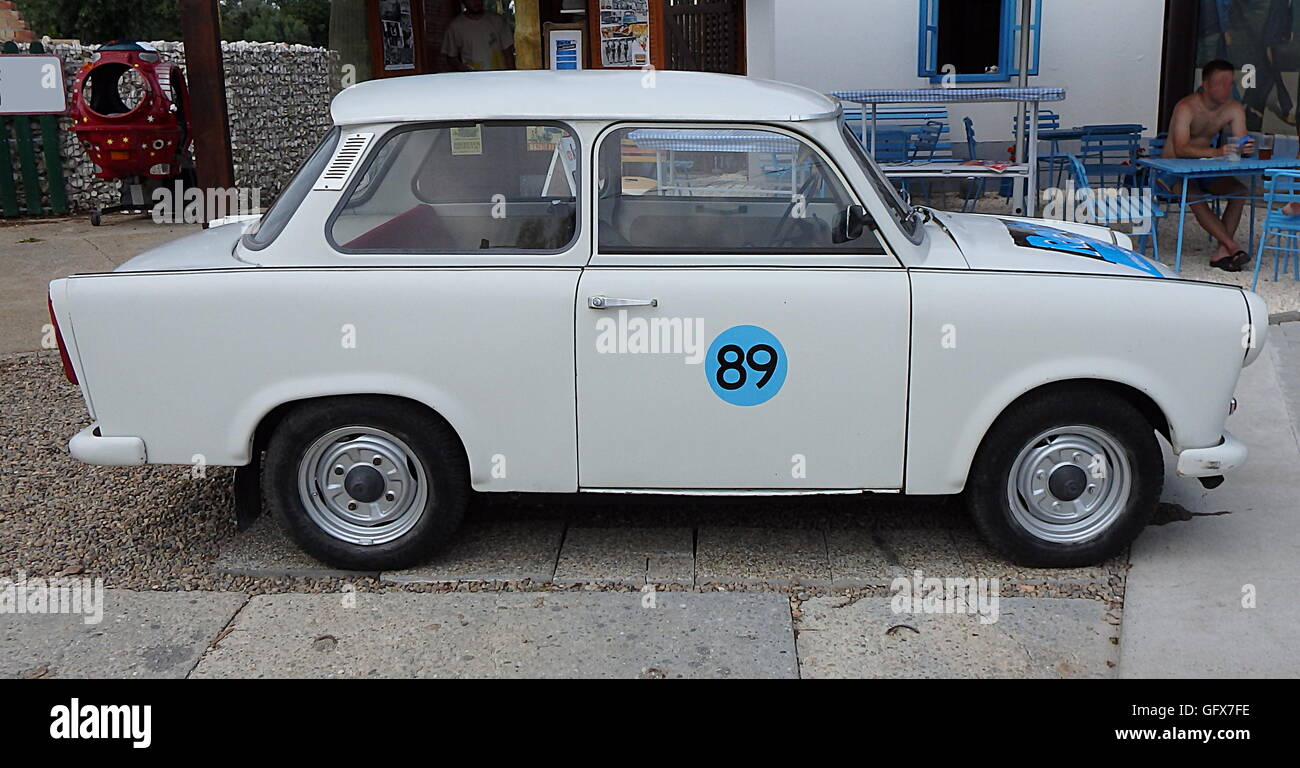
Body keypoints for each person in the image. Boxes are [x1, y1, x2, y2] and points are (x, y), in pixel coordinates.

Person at [1164, 59, 1256, 271]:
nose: (1227, 88)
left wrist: (1245, 148)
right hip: (1172, 170)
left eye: (1230, 83)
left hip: (1205, 169)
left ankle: (1222, 252)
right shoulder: (1186, 107)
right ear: (1206, 85)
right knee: (1192, 193)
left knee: (1239, 192)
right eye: (1220, 83)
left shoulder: (1233, 108)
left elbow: (1241, 141)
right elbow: (1180, 148)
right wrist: (1218, 152)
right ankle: (1232, 246)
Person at [442, 0, 515, 72]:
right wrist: (462, 68)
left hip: (499, 77)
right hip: (473, 79)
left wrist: (511, 75)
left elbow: (508, 52)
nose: (476, 2)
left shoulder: (498, 21)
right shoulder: (455, 27)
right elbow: (451, 57)